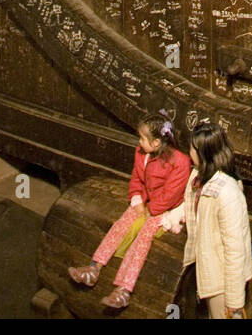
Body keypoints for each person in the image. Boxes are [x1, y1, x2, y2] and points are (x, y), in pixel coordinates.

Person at [68, 109, 191, 312]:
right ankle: (94, 268)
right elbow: (137, 179)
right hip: (147, 202)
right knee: (121, 225)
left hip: (169, 208)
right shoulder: (142, 153)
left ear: (157, 143)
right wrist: (137, 200)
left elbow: (170, 194)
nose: (139, 142)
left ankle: (124, 289)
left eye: (143, 138)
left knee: (143, 239)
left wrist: (151, 209)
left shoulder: (180, 162)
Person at [163, 119, 252, 318]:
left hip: (224, 280)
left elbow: (235, 250)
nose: (189, 151)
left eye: (192, 147)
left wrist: (235, 302)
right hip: (207, 267)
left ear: (203, 152)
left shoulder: (227, 193)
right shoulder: (197, 177)